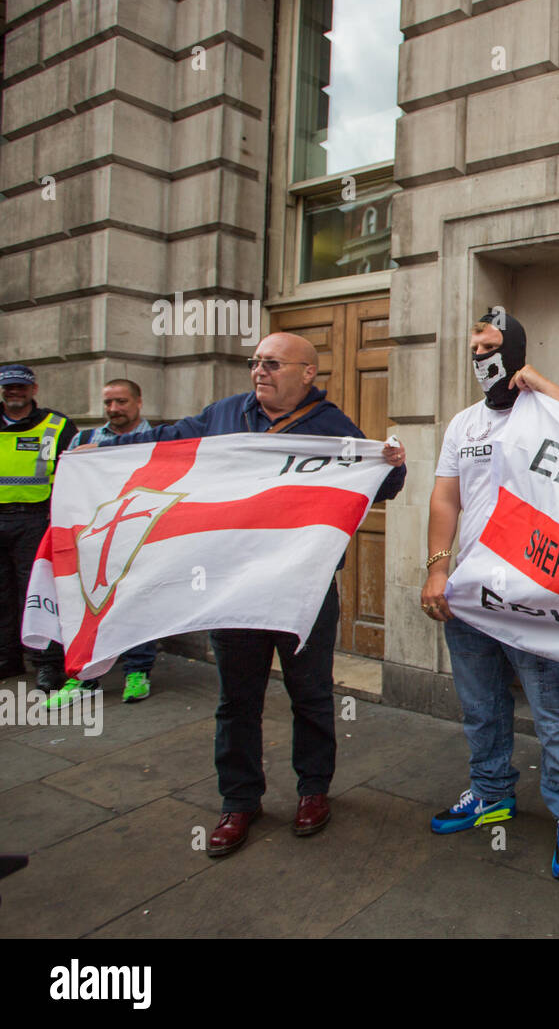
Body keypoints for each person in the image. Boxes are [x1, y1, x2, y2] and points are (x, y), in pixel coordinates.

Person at [87, 333, 407, 856]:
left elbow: (381, 488)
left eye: (273, 364)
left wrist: (392, 464)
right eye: (255, 362)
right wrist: (102, 449)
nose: (260, 371)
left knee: (311, 695)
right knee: (236, 701)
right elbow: (167, 443)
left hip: (302, 589)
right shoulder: (223, 416)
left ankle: (313, 792)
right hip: (231, 587)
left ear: (307, 374)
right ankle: (238, 801)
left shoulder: (332, 428)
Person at [422, 312, 559, 880]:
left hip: (534, 594)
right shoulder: (463, 425)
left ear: (517, 351)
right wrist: (436, 567)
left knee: (554, 709)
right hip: (470, 594)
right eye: (473, 346)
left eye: (491, 347)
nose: (479, 357)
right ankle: (491, 791)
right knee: (482, 707)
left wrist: (540, 382)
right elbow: (444, 500)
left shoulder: (546, 411)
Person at [49, 380, 158, 707]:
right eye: (108, 402)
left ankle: (138, 672)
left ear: (139, 401)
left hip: (144, 534)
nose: (113, 409)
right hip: (96, 536)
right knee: (91, 606)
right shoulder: (83, 439)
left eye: (121, 402)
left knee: (139, 602)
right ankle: (84, 677)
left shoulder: (162, 440)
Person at [0, 363, 76, 689]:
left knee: (39, 594)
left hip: (35, 519)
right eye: (8, 388)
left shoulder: (57, 425)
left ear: (33, 389)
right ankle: (7, 659)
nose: (14, 393)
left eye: (20, 387)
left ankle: (47, 664)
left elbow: (74, 471)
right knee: (1, 595)